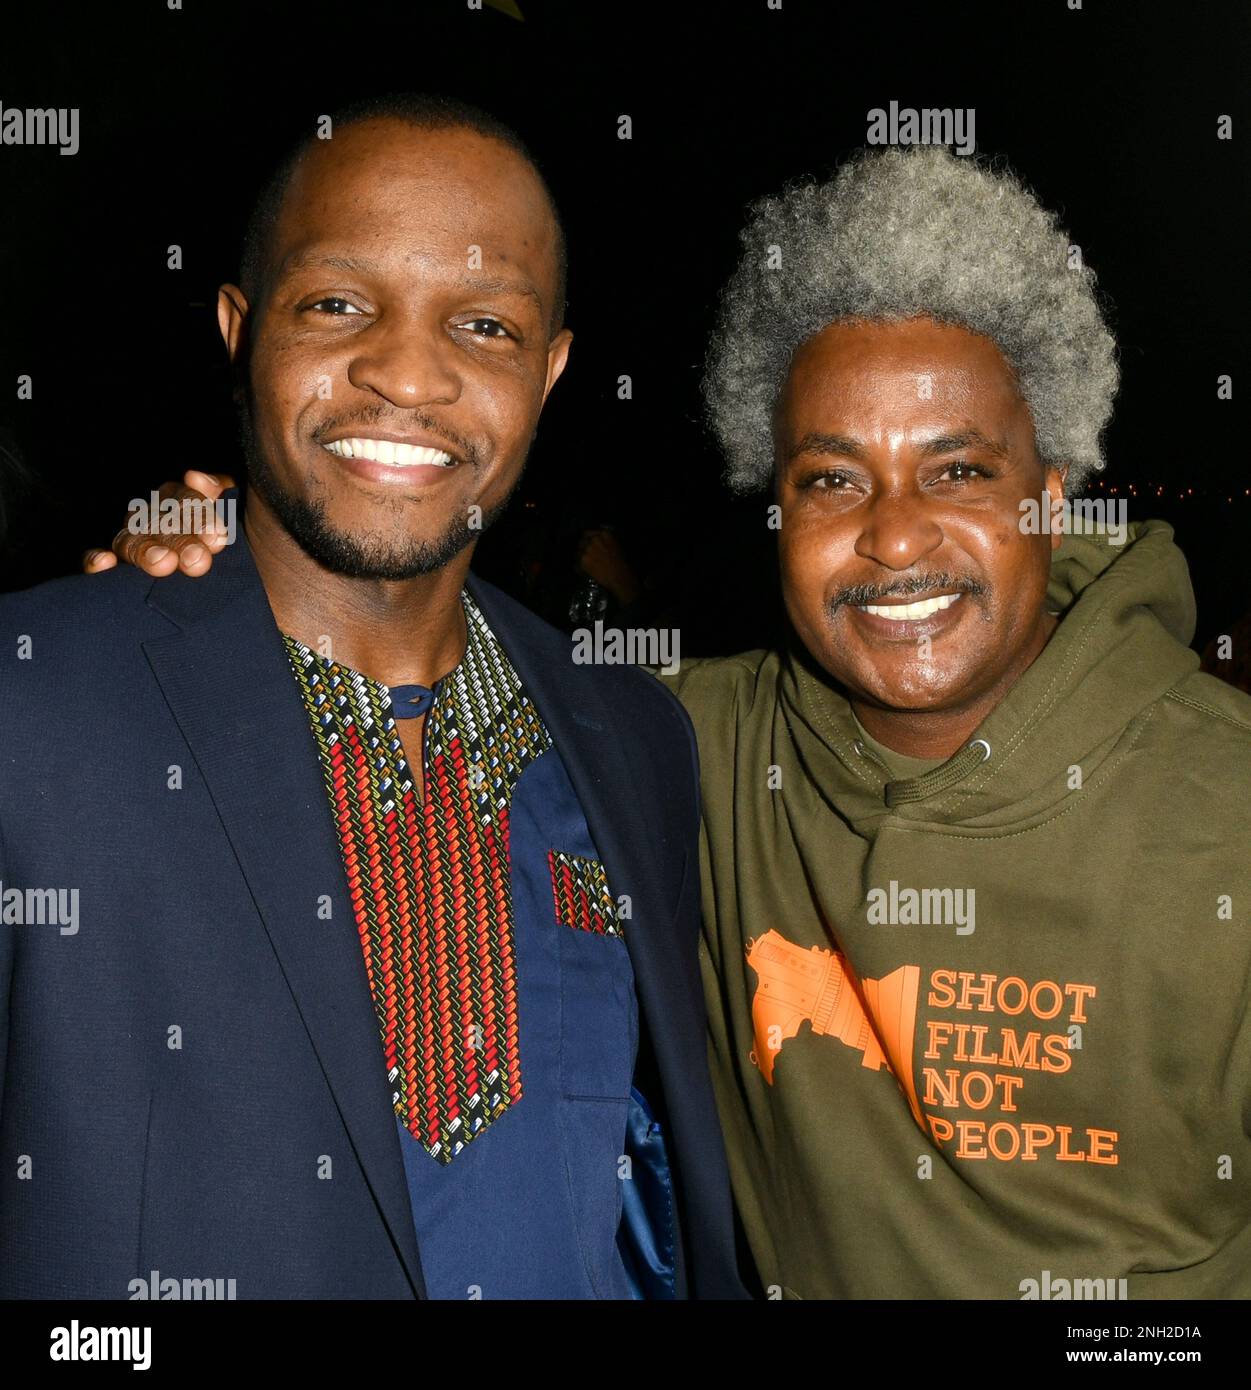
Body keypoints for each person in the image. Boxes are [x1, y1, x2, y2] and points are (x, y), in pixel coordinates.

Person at [90, 145, 1251, 1300]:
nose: (896, 539)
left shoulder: (1226, 812)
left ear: (1051, 495)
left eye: (958, 473)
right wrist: (229, 559)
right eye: (833, 480)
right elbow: (414, 655)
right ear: (775, 508)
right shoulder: (679, 749)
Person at [0, 94, 744, 1300]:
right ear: (243, 329)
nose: (407, 371)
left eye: (486, 323)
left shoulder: (639, 740)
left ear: (551, 370)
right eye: (339, 303)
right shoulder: (37, 704)